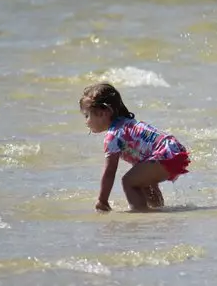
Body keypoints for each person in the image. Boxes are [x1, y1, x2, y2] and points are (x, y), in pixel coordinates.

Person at [79, 82, 190, 212]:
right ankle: (159, 212)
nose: (86, 121)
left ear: (103, 113)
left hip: (165, 154)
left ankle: (141, 216)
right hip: (175, 151)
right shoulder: (127, 125)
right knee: (143, 183)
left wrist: (102, 200)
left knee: (128, 181)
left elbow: (109, 172)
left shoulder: (113, 135)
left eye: (87, 115)